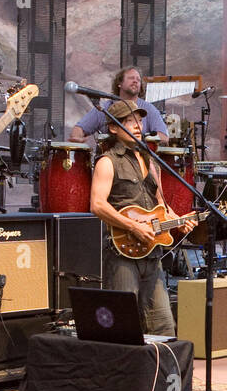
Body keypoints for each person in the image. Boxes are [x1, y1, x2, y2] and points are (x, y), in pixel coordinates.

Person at [90, 99, 194, 336]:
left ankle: (161, 373)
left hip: (152, 255)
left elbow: (161, 206)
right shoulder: (107, 162)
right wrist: (133, 226)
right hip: (122, 254)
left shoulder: (149, 160)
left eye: (138, 120)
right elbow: (97, 205)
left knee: (164, 326)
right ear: (113, 128)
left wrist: (180, 220)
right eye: (129, 120)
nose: (137, 125)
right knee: (123, 325)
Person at [68, 65, 168, 145]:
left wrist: (141, 138)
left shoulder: (149, 109)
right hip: (109, 163)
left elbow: (164, 138)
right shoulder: (104, 108)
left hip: (139, 163)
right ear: (119, 83)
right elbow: (79, 129)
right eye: (131, 78)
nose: (135, 81)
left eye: (138, 80)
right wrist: (77, 137)